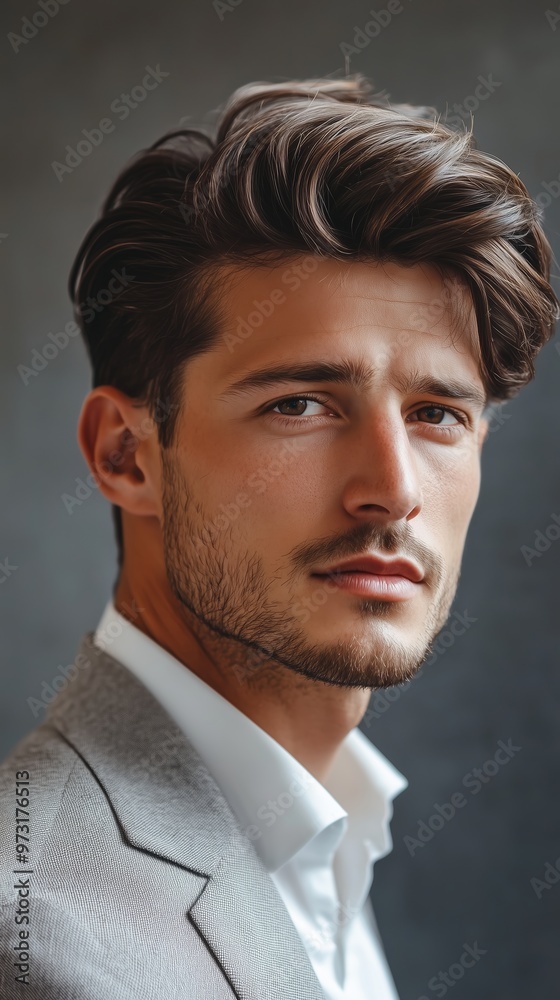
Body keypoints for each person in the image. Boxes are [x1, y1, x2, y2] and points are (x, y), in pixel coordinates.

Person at [0, 74, 557, 1000]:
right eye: (300, 405)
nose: (392, 490)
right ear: (126, 455)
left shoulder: (324, 830)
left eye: (436, 415)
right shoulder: (41, 940)